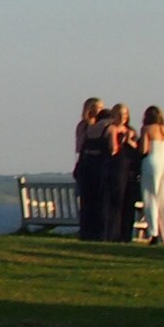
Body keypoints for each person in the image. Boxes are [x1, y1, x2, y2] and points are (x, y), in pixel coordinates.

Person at [139, 105, 164, 246]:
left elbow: (144, 149)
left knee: (151, 198)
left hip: (152, 161)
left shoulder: (147, 129)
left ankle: (154, 233)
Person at [73, 97, 108, 240]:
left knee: (97, 199)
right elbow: (79, 146)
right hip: (86, 163)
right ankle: (87, 230)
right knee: (86, 199)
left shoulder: (103, 124)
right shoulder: (84, 125)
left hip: (97, 164)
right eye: (97, 107)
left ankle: (96, 230)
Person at [108, 103, 143, 242]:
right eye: (119, 114)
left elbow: (138, 150)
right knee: (116, 202)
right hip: (116, 169)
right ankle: (114, 233)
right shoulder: (111, 129)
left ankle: (126, 234)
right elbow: (112, 151)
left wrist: (130, 141)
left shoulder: (131, 131)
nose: (123, 117)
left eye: (125, 114)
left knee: (129, 203)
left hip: (130, 170)